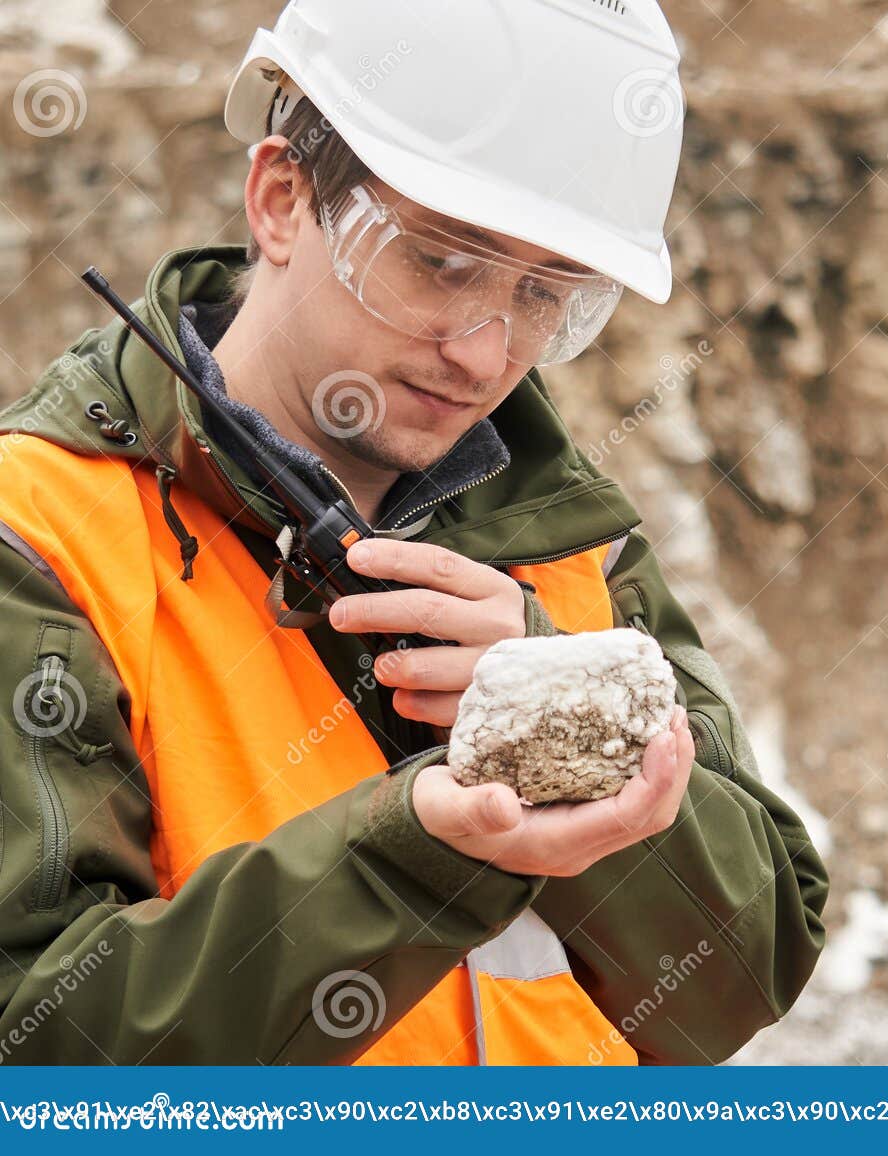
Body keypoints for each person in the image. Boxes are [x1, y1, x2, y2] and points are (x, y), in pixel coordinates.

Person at [0, 0, 827, 1065]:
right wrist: (413, 860)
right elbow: (42, 1059)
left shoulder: (569, 549)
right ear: (284, 199)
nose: (484, 355)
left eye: (546, 294)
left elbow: (735, 984)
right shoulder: (41, 544)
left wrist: (570, 736)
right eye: (441, 262)